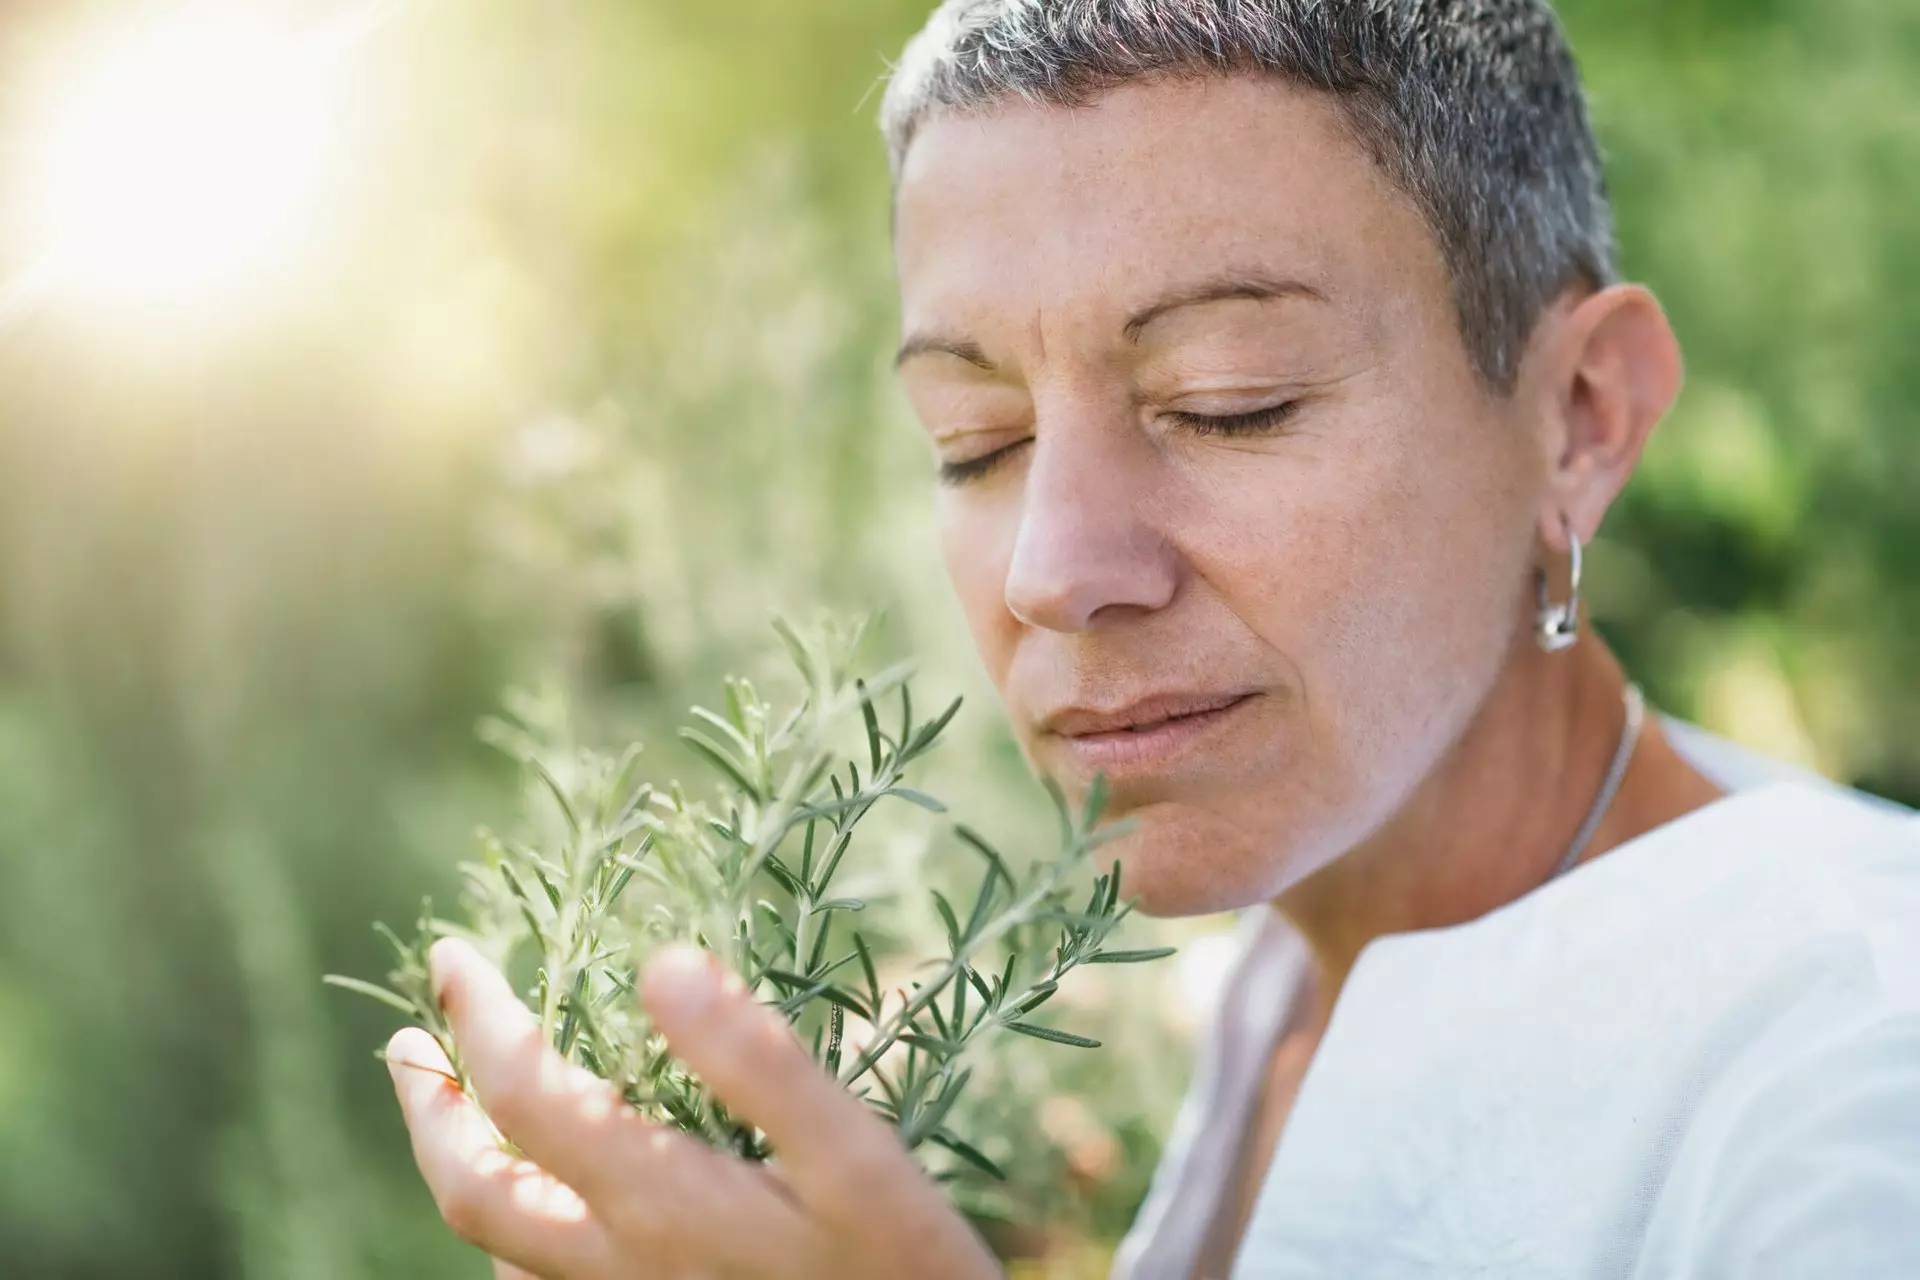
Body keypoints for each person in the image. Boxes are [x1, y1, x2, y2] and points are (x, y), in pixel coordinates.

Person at [382, 1, 1920, 1275]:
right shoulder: (1248, 993)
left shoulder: (1848, 1070)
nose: (1056, 568)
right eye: (975, 441)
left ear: (1579, 417)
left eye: (1224, 400)